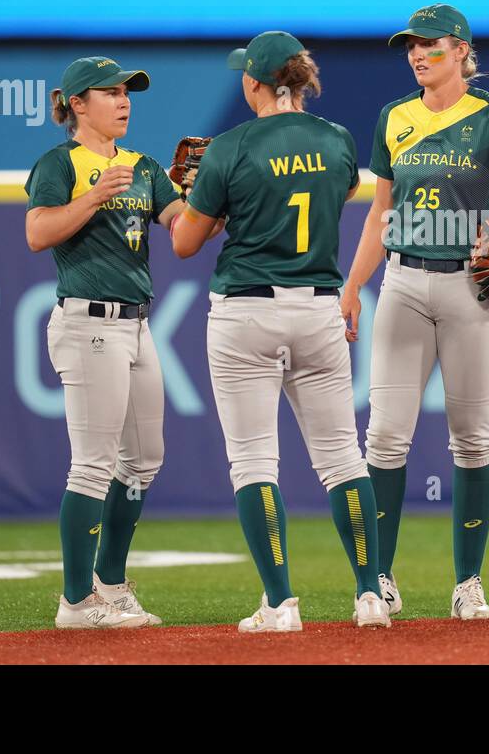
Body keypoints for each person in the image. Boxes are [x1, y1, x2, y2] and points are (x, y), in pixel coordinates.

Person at [340, 4, 489, 620]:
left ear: (462, 51)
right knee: (384, 437)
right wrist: (354, 285)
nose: (417, 54)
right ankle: (377, 579)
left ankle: (468, 584)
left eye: (431, 45)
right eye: (411, 46)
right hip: (404, 281)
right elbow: (380, 216)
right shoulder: (394, 117)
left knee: (472, 438)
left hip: (474, 289)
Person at [172, 31, 389, 632]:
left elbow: (186, 243)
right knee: (344, 459)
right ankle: (371, 596)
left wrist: (199, 199)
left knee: (253, 463)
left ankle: (279, 603)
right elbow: (343, 191)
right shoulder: (339, 140)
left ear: (255, 84)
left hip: (248, 310)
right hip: (319, 308)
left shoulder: (231, 147)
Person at [25, 56, 189, 629]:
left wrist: (208, 193)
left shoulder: (144, 167)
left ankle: (112, 584)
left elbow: (185, 230)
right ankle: (75, 601)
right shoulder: (59, 162)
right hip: (87, 322)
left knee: (143, 460)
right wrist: (92, 197)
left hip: (138, 324)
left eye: (127, 92)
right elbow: (37, 232)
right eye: (110, 93)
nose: (123, 101)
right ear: (77, 104)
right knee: (93, 464)